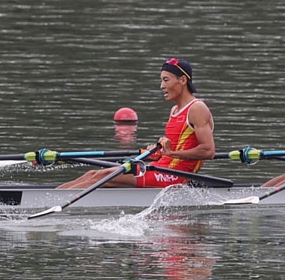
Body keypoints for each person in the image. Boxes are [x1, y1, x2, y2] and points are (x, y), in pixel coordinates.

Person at [58, 58, 216, 188]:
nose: (161, 86)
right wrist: (158, 153)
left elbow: (208, 151)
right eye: (161, 80)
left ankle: (50, 203)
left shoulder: (197, 109)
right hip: (161, 168)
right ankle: (50, 197)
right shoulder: (174, 109)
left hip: (176, 177)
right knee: (92, 174)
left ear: (182, 80)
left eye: (166, 80)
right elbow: (178, 147)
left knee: (101, 177)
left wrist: (171, 153)